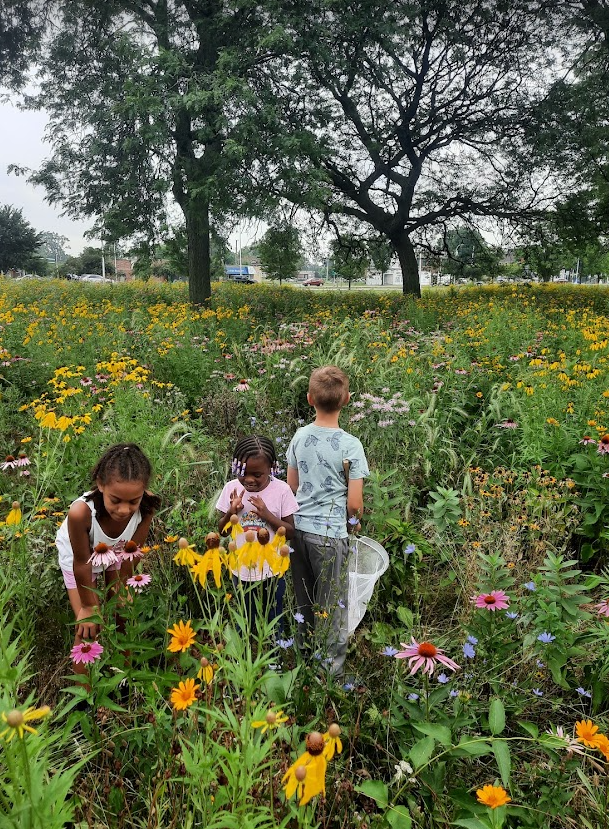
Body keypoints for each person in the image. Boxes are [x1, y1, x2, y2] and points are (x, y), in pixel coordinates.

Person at [286, 366, 369, 675]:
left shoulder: (299, 437)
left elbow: (290, 488)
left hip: (297, 533)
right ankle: (328, 674)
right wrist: (354, 523)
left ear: (309, 399)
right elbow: (354, 503)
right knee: (332, 606)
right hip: (330, 537)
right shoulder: (351, 446)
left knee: (304, 601)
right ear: (346, 400)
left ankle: (303, 659)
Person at [56, 443, 159, 680]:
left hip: (117, 551)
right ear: (100, 484)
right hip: (79, 557)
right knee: (89, 628)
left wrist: (121, 588)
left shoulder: (147, 508)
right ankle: (84, 698)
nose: (124, 510)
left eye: (133, 501)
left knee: (122, 613)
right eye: (116, 500)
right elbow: (82, 563)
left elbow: (133, 552)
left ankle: (123, 678)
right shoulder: (80, 513)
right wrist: (89, 606)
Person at [217, 435, 298, 636]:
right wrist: (231, 512)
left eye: (258, 475)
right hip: (240, 568)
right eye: (243, 473)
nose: (249, 479)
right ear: (235, 466)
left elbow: (290, 532)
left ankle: (275, 656)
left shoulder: (281, 490)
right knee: (244, 616)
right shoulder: (231, 488)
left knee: (274, 614)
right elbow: (222, 531)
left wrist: (267, 515)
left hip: (272, 569)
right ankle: (243, 654)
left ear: (272, 468)